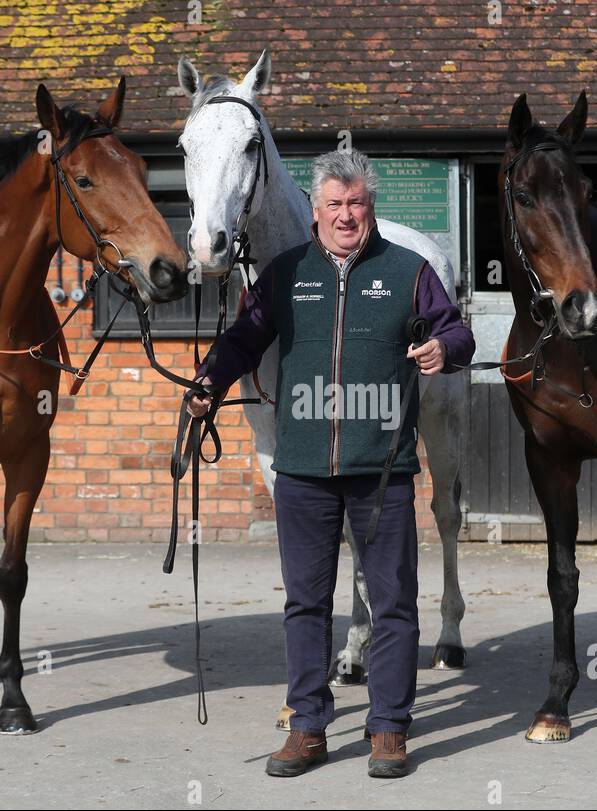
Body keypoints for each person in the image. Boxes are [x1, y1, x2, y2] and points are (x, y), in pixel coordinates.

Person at [190, 148, 474, 778]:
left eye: (358, 203)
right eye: (335, 204)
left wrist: (440, 346)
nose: (347, 215)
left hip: (383, 469)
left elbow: (460, 333)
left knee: (396, 602)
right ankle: (308, 727)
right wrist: (209, 381)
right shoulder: (286, 273)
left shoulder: (409, 270)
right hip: (303, 471)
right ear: (316, 211)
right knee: (305, 604)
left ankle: (389, 730)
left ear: (372, 207)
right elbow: (245, 338)